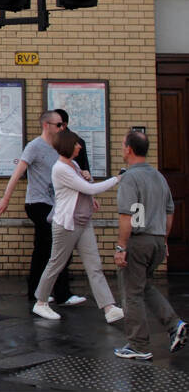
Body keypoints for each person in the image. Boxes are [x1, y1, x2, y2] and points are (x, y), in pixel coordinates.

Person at [31, 130, 124, 323]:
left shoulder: (72, 165)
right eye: (76, 144)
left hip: (83, 221)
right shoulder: (60, 169)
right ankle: (40, 303)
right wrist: (116, 179)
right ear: (67, 146)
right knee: (56, 263)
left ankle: (109, 308)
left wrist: (88, 188)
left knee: (94, 266)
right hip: (67, 224)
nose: (80, 146)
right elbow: (88, 188)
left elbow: (82, 189)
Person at [112, 129, 187, 359]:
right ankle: (175, 325)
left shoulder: (130, 178)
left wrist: (121, 247)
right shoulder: (159, 177)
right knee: (144, 286)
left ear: (129, 149)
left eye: (123, 145)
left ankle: (138, 345)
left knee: (131, 293)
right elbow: (170, 212)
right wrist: (163, 241)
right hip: (156, 241)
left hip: (137, 241)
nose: (122, 149)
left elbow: (127, 216)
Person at [0, 110, 82, 306]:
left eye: (63, 125)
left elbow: (69, 173)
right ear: (47, 126)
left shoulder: (58, 148)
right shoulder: (34, 146)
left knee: (44, 248)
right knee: (55, 244)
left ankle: (37, 291)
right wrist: (5, 199)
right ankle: (60, 294)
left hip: (55, 204)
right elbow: (17, 173)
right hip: (37, 203)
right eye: (59, 125)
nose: (62, 128)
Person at [54, 108, 91, 173]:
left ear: (64, 125)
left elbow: (84, 167)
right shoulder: (47, 141)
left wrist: (87, 176)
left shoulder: (78, 142)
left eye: (56, 124)